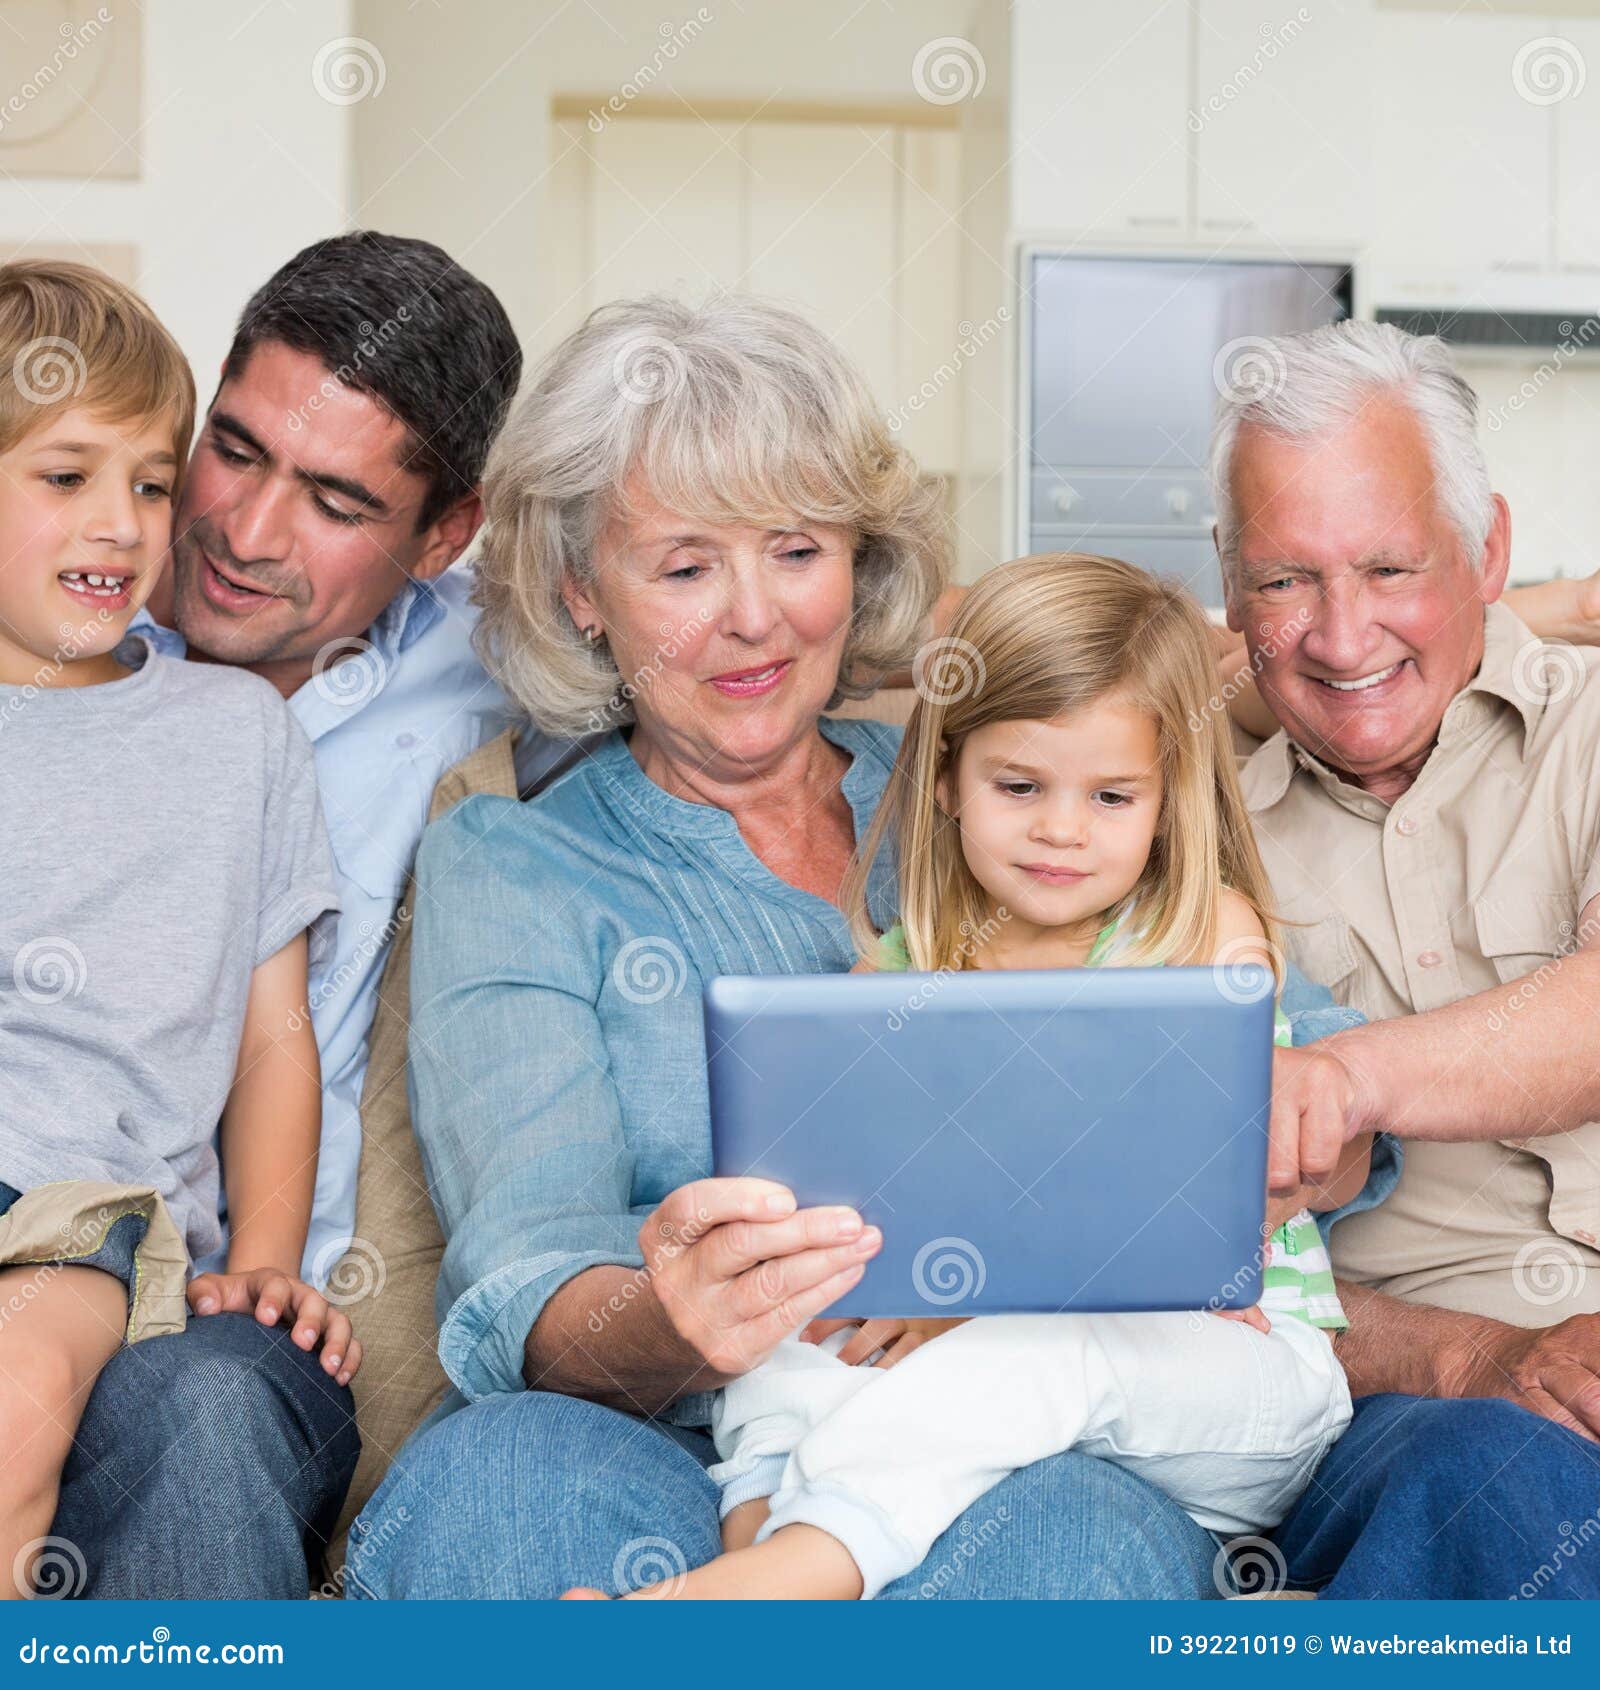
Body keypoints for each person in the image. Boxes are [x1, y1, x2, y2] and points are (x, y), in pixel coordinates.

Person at [568, 554, 1362, 1601]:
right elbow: (854, 1206)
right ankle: (758, 1534)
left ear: (1169, 801)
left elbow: (1173, 1188)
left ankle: (782, 1581)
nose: (1061, 829)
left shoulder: (1199, 935)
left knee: (1027, 1355)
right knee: (789, 1336)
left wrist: (963, 1310)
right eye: (1018, 785)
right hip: (999, 1378)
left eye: (1112, 794)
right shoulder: (899, 972)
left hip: (1233, 1368)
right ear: (945, 778)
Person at [45, 233, 533, 1600]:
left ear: (445, 533)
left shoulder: (498, 671)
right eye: (237, 451)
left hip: (225, 1326)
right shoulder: (59, 608)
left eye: (333, 499)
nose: (244, 533)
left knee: (195, 1415)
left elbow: (747, 610)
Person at [1212, 319, 1600, 1599]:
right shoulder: (1159, 822)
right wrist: (1473, 1356)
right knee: (1501, 1482)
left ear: (1486, 548)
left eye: (1389, 567)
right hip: (1399, 1394)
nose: (1337, 636)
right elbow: (1188, 1263)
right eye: (1282, 581)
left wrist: (1348, 1077)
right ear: (1225, 587)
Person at [0, 261, 361, 1597]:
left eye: (151, 483)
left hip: (72, 1213)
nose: (122, 524)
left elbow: (274, 1037)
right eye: (65, 477)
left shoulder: (232, 733)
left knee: (17, 1399)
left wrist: (263, 1262)